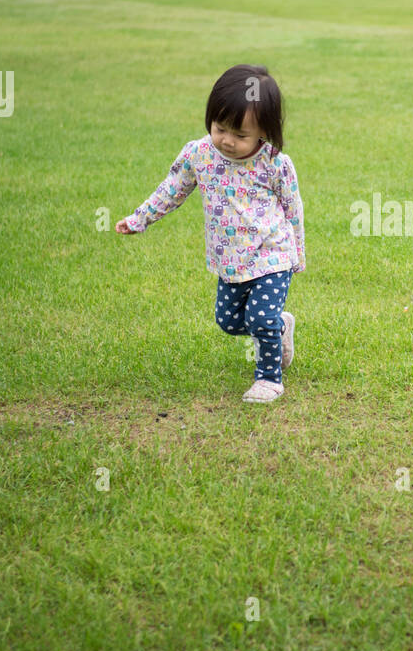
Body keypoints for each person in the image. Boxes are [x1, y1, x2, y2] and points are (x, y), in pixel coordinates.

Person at [116, 64, 305, 403]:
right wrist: (139, 219)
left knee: (259, 317)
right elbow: (171, 189)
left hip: (271, 252)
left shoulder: (275, 163)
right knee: (229, 321)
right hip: (229, 259)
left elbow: (293, 209)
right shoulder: (198, 155)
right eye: (220, 128)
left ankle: (269, 378)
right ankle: (279, 328)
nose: (228, 141)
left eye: (240, 135)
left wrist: (296, 254)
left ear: (265, 130)